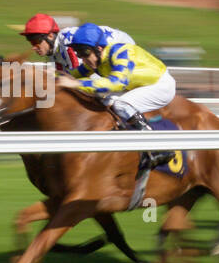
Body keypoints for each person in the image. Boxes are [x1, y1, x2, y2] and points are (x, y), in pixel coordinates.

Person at [61, 22, 175, 169]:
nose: (83, 58)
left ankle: (159, 148)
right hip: (140, 86)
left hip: (160, 85)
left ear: (99, 48)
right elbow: (71, 75)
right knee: (105, 100)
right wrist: (48, 77)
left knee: (121, 104)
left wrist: (76, 84)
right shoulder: (94, 60)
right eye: (79, 54)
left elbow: (117, 83)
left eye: (84, 52)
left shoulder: (121, 52)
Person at [20, 14, 134, 76]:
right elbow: (52, 72)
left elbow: (83, 74)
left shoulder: (66, 42)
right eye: (30, 42)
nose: (33, 47)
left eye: (35, 41)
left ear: (50, 36)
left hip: (124, 48)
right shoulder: (53, 52)